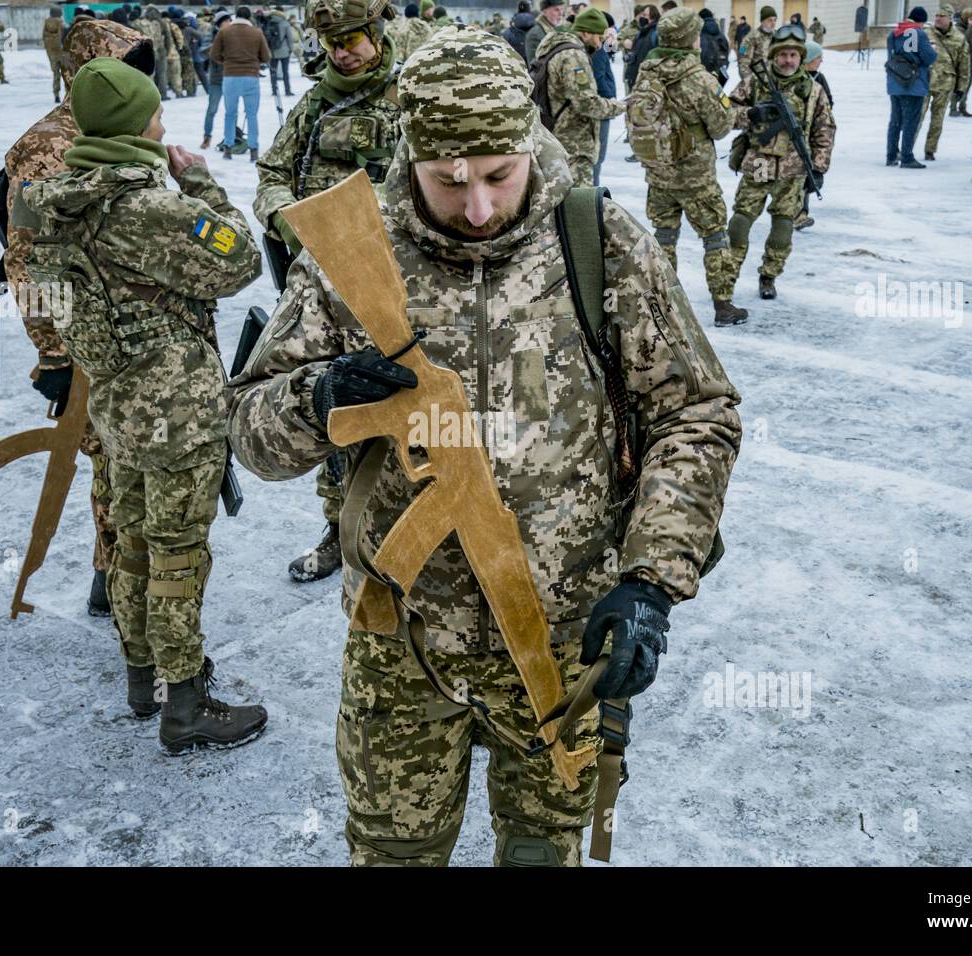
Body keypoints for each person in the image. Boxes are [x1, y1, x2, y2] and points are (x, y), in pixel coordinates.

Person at [229, 27, 740, 867]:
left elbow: (697, 413)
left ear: (529, 142)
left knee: (543, 853)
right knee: (395, 854)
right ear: (412, 155)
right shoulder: (353, 254)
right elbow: (251, 432)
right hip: (402, 642)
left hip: (563, 631)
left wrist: (652, 578)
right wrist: (313, 399)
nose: (476, 207)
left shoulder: (600, 243)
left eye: (500, 176)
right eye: (448, 181)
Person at [17, 56, 267, 754]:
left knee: (129, 541)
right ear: (136, 123)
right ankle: (184, 704)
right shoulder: (153, 209)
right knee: (179, 552)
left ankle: (141, 675)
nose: (163, 122)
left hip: (116, 402)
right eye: (155, 112)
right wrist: (199, 182)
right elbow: (240, 259)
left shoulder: (55, 202)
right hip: (177, 409)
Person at [2, 18, 155, 617]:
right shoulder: (47, 146)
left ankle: (115, 577)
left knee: (133, 458)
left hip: (134, 334)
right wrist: (52, 353)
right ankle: (118, 588)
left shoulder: (117, 123)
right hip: (84, 337)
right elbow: (24, 260)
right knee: (114, 461)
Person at [252, 0, 401, 582]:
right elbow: (270, 175)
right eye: (333, 42)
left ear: (376, 34)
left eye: (353, 40)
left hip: (397, 284)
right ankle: (339, 530)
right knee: (333, 403)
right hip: (324, 289)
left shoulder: (408, 96)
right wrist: (286, 221)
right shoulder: (314, 105)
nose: (342, 52)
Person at [629, 8, 742, 324]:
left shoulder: (647, 71)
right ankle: (723, 305)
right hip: (696, 177)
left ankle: (664, 307)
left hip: (659, 173)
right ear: (690, 39)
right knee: (715, 236)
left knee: (664, 236)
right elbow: (721, 127)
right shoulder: (698, 78)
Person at [727, 23, 834, 300]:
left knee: (783, 227)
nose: (788, 60)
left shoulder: (813, 90)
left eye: (793, 55)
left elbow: (825, 130)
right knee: (740, 222)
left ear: (801, 58)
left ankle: (768, 275)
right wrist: (752, 114)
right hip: (758, 165)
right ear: (774, 56)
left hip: (793, 170)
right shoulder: (755, 82)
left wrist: (818, 168)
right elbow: (725, 112)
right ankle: (728, 273)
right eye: (783, 54)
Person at [535, 6, 624, 187]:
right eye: (598, 37)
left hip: (557, 136)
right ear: (585, 33)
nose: (600, 44)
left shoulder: (555, 45)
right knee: (579, 205)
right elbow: (586, 103)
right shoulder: (573, 56)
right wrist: (620, 106)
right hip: (574, 143)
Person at [211, 6, 270, 161]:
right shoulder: (257, 32)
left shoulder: (224, 32)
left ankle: (228, 148)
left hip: (230, 77)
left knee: (230, 114)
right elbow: (266, 57)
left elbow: (214, 54)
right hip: (251, 77)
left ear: (235, 16)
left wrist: (226, 62)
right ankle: (254, 150)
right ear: (249, 17)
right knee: (251, 115)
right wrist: (254, 62)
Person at [885, 6, 936, 169]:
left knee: (895, 120)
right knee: (911, 121)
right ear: (920, 21)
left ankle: (891, 155)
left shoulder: (893, 33)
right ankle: (907, 157)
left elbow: (891, 56)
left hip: (895, 82)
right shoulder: (919, 33)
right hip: (914, 83)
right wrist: (933, 51)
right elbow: (929, 58)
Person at [920, 3, 969, 161]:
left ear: (950, 18)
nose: (938, 19)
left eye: (942, 16)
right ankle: (907, 148)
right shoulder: (925, 34)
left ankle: (930, 150)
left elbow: (964, 65)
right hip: (924, 82)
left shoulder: (959, 39)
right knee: (916, 116)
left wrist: (961, 88)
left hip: (946, 84)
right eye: (936, 16)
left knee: (937, 120)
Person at [795, 39, 830, 229]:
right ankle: (794, 213)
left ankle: (801, 213)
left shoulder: (819, 79)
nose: (820, 62)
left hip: (811, 136)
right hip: (792, 138)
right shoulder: (793, 79)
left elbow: (828, 102)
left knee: (806, 175)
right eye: (818, 58)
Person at [591, 7, 616, 184]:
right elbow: (599, 77)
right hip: (601, 106)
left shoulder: (600, 48)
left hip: (600, 105)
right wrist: (610, 97)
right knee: (597, 158)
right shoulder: (598, 51)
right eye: (611, 29)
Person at [200, 10, 229, 148]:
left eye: (230, 20)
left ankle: (230, 139)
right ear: (219, 23)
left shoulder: (234, 34)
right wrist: (216, 46)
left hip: (231, 77)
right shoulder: (211, 35)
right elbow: (202, 52)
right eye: (226, 21)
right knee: (212, 109)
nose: (228, 23)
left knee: (231, 111)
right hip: (216, 79)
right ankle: (207, 136)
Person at [260, 4, 293, 95]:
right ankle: (287, 90)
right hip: (284, 51)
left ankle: (274, 91)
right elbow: (290, 38)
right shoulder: (285, 22)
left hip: (272, 51)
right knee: (285, 72)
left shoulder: (268, 21)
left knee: (273, 72)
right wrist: (290, 49)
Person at [740, 5, 776, 76]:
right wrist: (748, 80)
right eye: (770, 20)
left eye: (775, 20)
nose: (773, 23)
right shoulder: (751, 37)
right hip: (758, 80)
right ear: (763, 21)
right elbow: (743, 62)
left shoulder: (777, 35)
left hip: (775, 80)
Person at [525, 0, 563, 64]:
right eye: (556, 10)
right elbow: (534, 66)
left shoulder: (558, 30)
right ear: (545, 12)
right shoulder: (535, 34)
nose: (561, 13)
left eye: (561, 9)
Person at [698, 7, 728, 85]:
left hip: (705, 77)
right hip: (721, 76)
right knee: (720, 96)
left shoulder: (700, 35)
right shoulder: (722, 36)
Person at [956, 6, 972, 115]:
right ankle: (953, 108)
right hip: (963, 61)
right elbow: (964, 41)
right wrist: (971, 28)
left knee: (968, 85)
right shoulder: (959, 28)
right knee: (960, 85)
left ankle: (962, 106)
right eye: (971, 18)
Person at [502, 0, 535, 65]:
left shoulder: (507, 32)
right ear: (530, 9)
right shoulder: (538, 30)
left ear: (518, 9)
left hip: (515, 68)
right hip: (534, 69)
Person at [44, 6, 66, 103]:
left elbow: (43, 37)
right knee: (66, 73)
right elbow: (63, 36)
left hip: (51, 51)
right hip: (61, 51)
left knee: (56, 73)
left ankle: (56, 94)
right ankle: (68, 94)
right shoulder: (60, 22)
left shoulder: (46, 22)